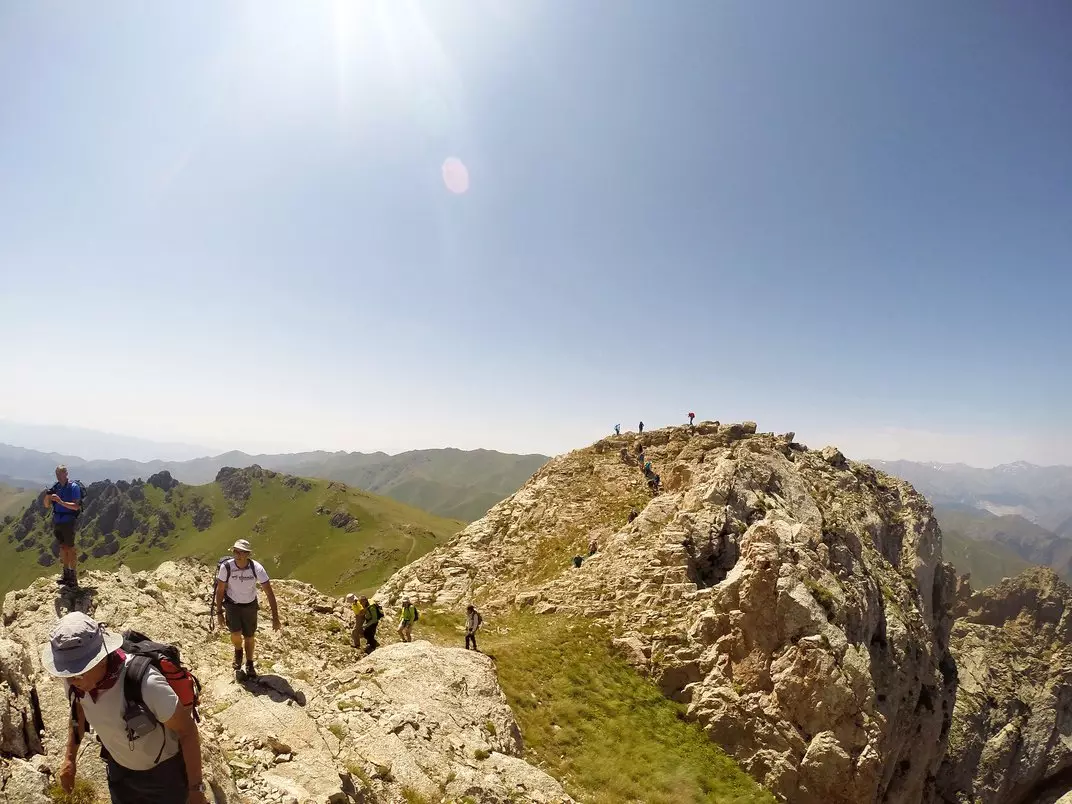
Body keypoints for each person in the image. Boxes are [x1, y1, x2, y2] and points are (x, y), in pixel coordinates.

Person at [41, 612, 208, 804]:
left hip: (165, 776)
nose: (71, 679)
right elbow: (78, 711)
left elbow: (186, 729)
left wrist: (196, 789)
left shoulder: (145, 682)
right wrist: (70, 758)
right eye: (66, 671)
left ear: (101, 658)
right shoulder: (75, 680)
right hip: (119, 771)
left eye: (78, 672)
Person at [214, 539, 281, 680]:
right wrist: (219, 612)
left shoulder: (256, 568)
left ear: (247, 554)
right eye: (235, 551)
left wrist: (275, 618)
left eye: (241, 552)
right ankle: (238, 651)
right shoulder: (226, 567)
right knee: (235, 634)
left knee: (250, 636)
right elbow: (220, 590)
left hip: (250, 605)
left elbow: (269, 592)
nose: (237, 554)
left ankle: (249, 663)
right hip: (232, 604)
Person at [43, 465, 82, 588]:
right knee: (63, 547)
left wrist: (60, 502)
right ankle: (65, 575)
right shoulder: (56, 487)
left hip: (68, 521)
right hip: (58, 521)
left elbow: (76, 506)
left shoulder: (74, 487)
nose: (58, 476)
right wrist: (48, 496)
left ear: (66, 474)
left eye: (60, 473)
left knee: (70, 548)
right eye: (57, 474)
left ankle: (73, 577)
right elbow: (46, 505)